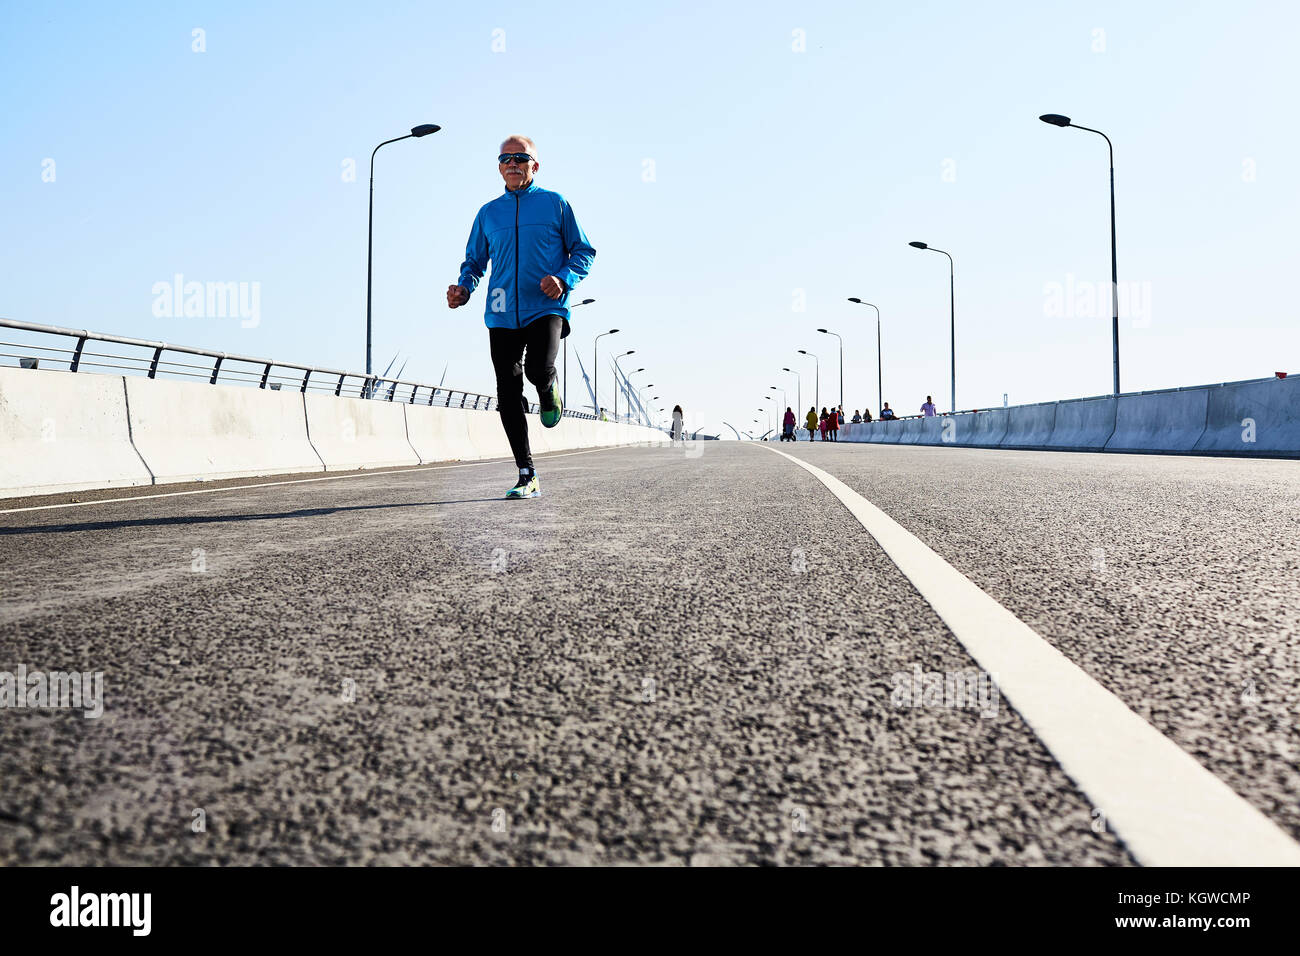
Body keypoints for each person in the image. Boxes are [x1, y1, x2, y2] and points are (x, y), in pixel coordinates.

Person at [447, 135, 596, 499]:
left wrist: (564, 279)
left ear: (535, 165)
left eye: (520, 158)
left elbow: (583, 251)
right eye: (505, 159)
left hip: (546, 307)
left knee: (536, 370)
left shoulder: (555, 204)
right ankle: (526, 472)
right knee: (507, 393)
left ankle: (548, 391)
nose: (512, 163)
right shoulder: (488, 213)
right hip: (500, 311)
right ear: (499, 167)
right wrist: (464, 288)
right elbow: (475, 261)